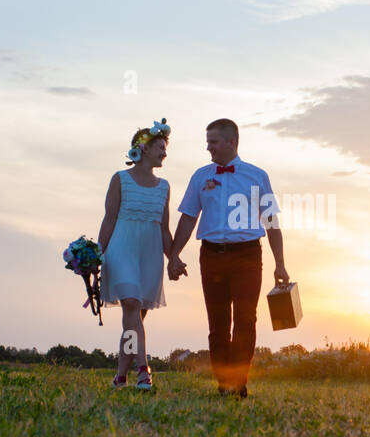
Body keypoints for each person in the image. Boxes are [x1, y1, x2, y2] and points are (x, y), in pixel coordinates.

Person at [169, 118, 289, 398]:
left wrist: (280, 263)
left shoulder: (258, 176)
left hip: (248, 255)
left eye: (213, 141)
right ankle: (224, 383)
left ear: (231, 142)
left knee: (246, 320)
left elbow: (271, 222)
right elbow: (188, 218)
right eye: (208, 141)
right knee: (218, 323)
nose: (208, 147)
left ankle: (239, 382)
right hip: (211, 255)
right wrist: (174, 254)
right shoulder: (200, 176)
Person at [98, 119, 186, 390]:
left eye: (165, 148)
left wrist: (173, 258)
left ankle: (119, 377)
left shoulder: (165, 187)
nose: (164, 153)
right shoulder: (120, 179)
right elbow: (109, 219)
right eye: (160, 147)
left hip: (149, 255)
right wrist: (97, 256)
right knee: (132, 306)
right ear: (143, 148)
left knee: (134, 320)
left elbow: (164, 229)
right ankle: (143, 370)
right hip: (121, 250)